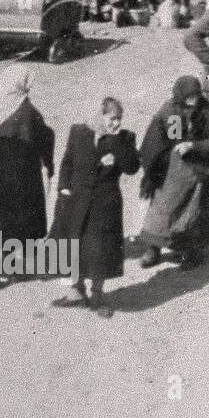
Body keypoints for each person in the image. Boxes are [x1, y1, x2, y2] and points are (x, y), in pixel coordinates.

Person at [47, 97, 140, 317]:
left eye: (119, 118)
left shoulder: (125, 138)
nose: (117, 123)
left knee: (100, 251)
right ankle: (77, 292)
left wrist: (115, 141)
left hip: (104, 205)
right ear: (100, 115)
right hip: (76, 201)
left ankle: (97, 295)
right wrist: (63, 188)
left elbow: (132, 167)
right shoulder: (78, 132)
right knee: (74, 246)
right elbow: (67, 162)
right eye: (112, 118)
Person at [138, 76, 209, 270]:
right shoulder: (172, 111)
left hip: (198, 167)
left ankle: (191, 251)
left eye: (196, 95)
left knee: (191, 214)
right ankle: (154, 248)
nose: (193, 100)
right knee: (162, 209)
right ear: (180, 96)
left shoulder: (206, 110)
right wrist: (155, 170)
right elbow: (166, 141)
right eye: (189, 96)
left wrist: (194, 146)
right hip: (172, 167)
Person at [0, 66, 55, 289]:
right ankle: (16, 267)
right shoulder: (26, 111)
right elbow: (43, 136)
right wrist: (49, 165)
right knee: (22, 220)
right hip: (21, 175)